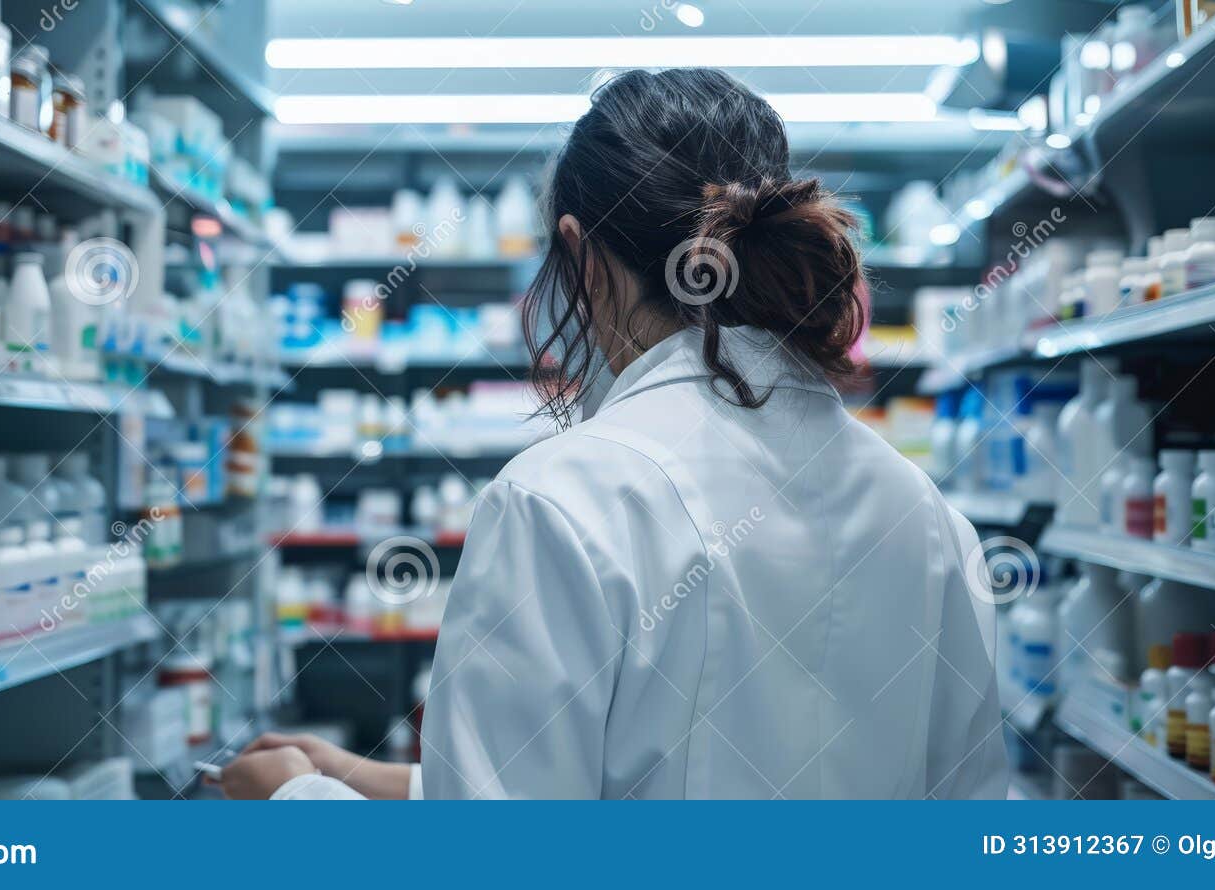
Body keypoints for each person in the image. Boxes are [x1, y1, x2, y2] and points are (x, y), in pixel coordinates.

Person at [222, 68, 1009, 800]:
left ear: (582, 255)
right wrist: (369, 778)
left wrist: (294, 796)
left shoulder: (563, 501)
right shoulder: (929, 519)